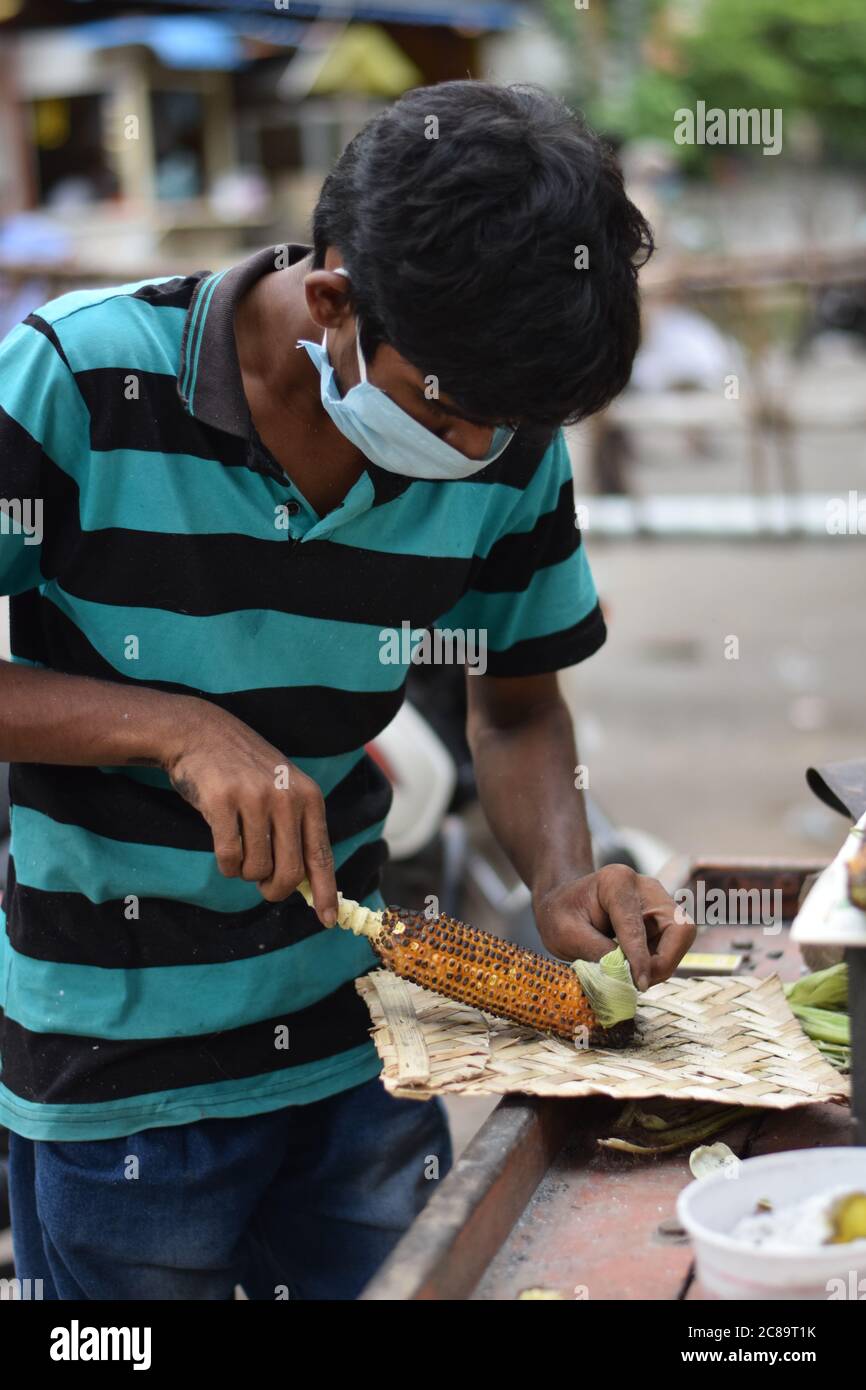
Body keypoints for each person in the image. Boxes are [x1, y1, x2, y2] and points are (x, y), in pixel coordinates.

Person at [0, 81, 695, 1300]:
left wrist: (559, 877)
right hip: (113, 1075)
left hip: (360, 1044)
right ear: (332, 306)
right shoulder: (74, 381)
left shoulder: (506, 428)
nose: (486, 457)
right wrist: (170, 725)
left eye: (515, 425)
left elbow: (515, 705)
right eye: (462, 414)